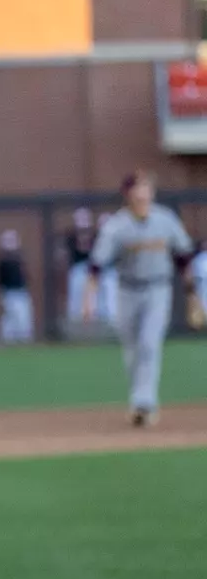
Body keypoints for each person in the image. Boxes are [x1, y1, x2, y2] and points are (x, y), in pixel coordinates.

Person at [84, 171, 197, 426]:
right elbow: (96, 266)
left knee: (149, 343)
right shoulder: (117, 226)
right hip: (127, 290)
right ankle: (139, 399)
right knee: (133, 349)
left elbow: (183, 257)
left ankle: (144, 403)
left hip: (158, 289)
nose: (143, 192)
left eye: (146, 187)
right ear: (128, 194)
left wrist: (192, 295)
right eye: (138, 188)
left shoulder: (165, 219)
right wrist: (88, 301)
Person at [0, 229, 33, 343]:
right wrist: (3, 294)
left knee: (24, 316)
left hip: (22, 291)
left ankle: (24, 339)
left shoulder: (20, 257)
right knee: (12, 317)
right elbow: (0, 280)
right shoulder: (2, 260)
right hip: (9, 293)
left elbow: (25, 276)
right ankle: (9, 339)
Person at [64, 208, 97, 325]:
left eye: (84, 218)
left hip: (91, 270)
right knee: (76, 298)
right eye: (79, 219)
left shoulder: (94, 235)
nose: (82, 221)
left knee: (92, 298)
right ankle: (74, 323)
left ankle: (93, 323)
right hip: (77, 269)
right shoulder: (70, 236)